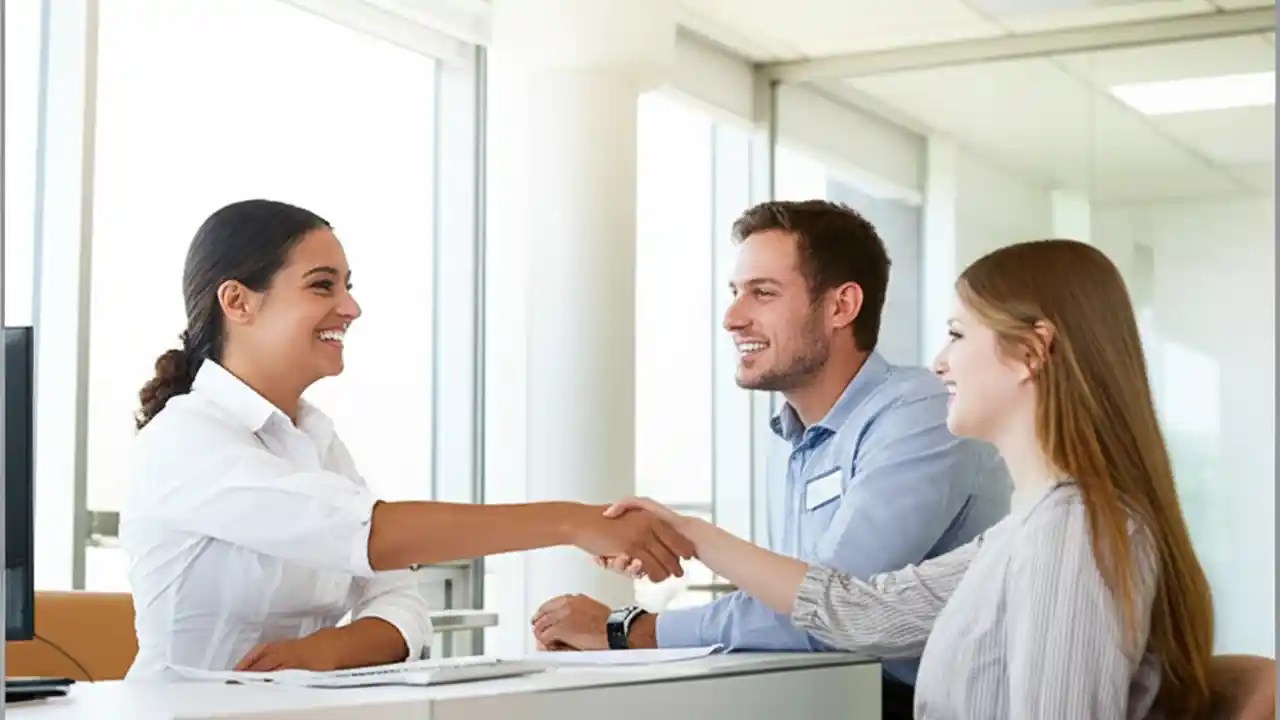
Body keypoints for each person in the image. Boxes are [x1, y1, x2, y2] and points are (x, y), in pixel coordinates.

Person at [602, 239, 1216, 718]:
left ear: (1032, 352)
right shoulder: (1029, 530)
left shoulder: (1071, 533)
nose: (939, 362)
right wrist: (688, 532)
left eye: (956, 335)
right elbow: (862, 611)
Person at [120, 199, 693, 680]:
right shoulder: (186, 439)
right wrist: (572, 521)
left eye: (347, 286)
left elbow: (402, 603)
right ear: (238, 301)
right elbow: (367, 533)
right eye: (322, 286)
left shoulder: (316, 439)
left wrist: (320, 653)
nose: (351, 307)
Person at [531, 200, 1010, 710]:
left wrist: (630, 630)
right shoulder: (792, 437)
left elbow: (833, 614)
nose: (733, 318)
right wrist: (671, 542)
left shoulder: (921, 412)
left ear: (841, 307)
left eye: (762, 293)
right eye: (736, 293)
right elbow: (796, 599)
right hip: (839, 697)